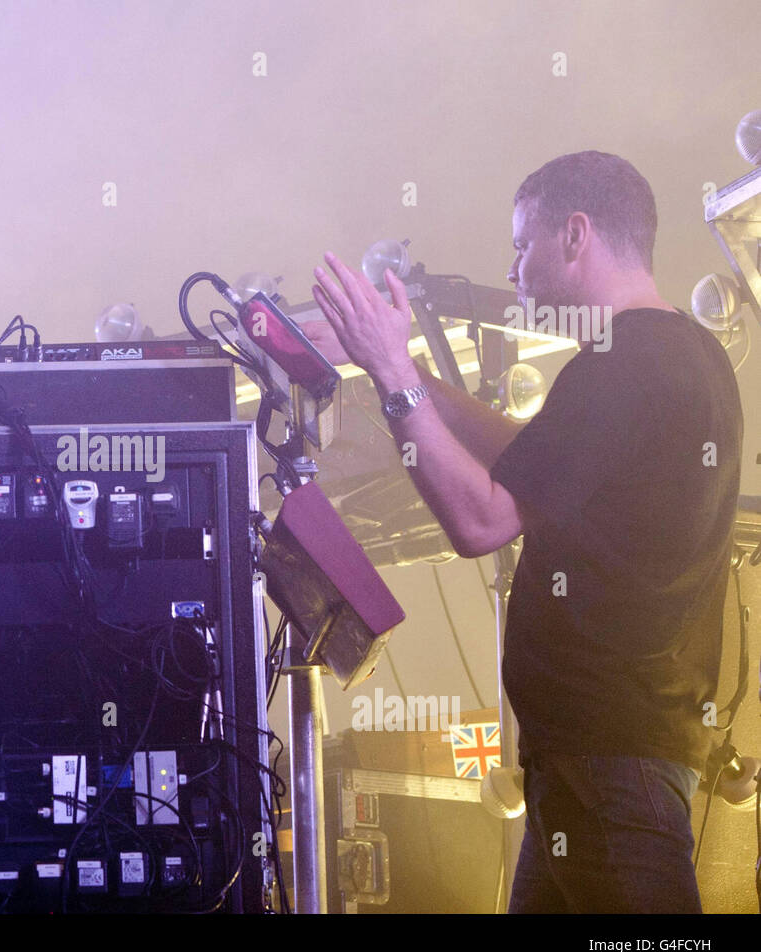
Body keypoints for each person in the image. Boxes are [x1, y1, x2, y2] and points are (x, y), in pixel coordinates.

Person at [303, 151, 742, 912]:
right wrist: (404, 366)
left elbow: (481, 519)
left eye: (521, 244)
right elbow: (528, 463)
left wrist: (392, 378)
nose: (511, 269)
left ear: (575, 235)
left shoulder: (622, 362)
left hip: (610, 760)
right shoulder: (677, 354)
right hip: (599, 757)